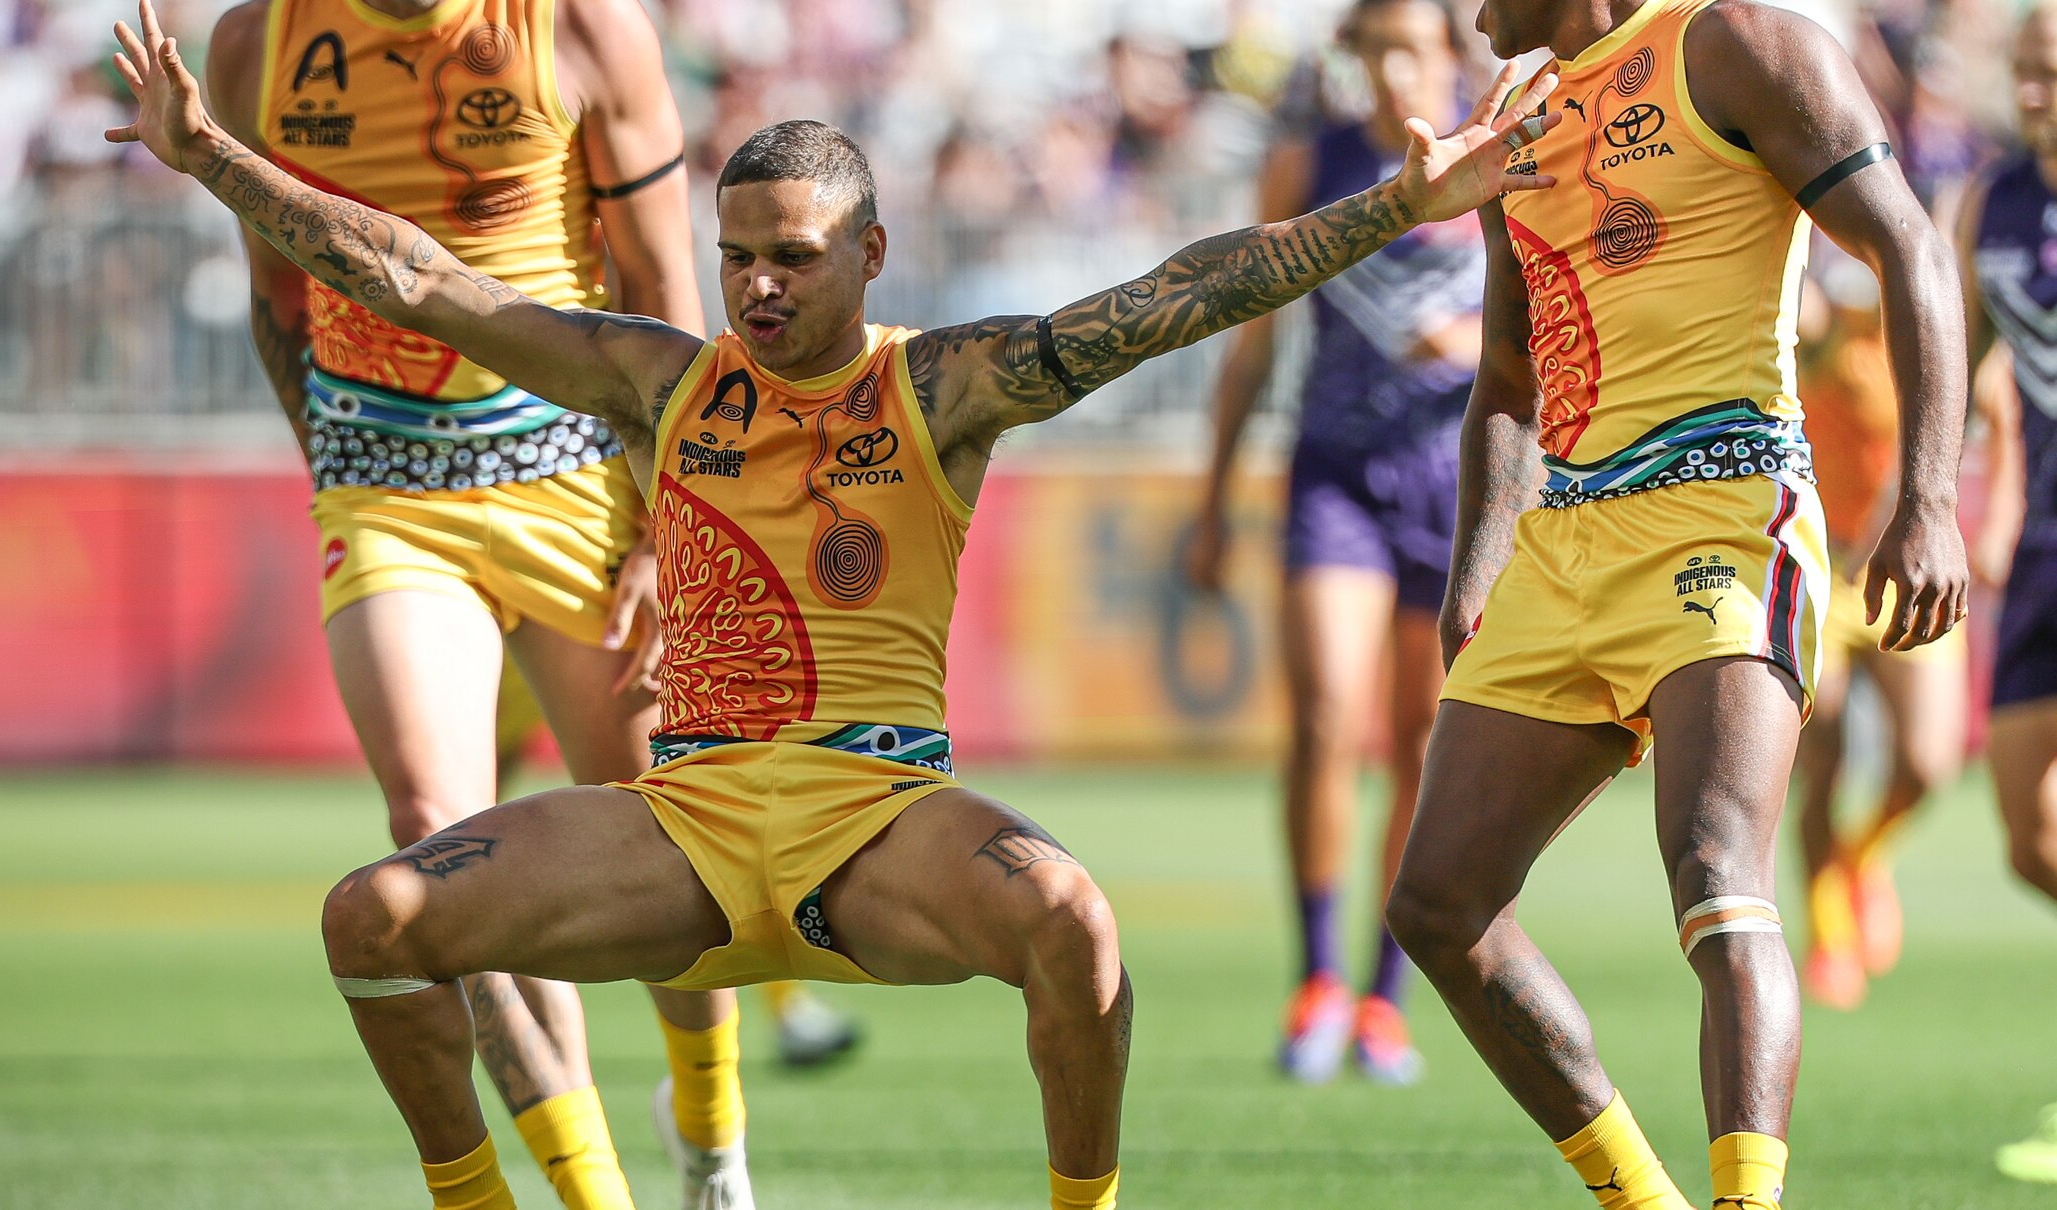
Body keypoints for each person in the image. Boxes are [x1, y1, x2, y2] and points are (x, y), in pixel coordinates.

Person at [106, 4, 1563, 1204]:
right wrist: (209, 158)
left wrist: (1398, 203)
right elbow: (413, 273)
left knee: (1072, 921)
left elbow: (1185, 288)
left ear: (869, 253)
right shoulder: (654, 377)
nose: (752, 285)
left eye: (791, 257)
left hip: (878, 819)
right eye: (736, 253)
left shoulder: (945, 384)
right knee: (374, 914)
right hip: (682, 822)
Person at [1379, 0, 1970, 1205]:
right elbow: (1505, 370)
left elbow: (1907, 246)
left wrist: (1927, 500)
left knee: (1714, 872)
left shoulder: (1739, 45)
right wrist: (1475, 562)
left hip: (1722, 514)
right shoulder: (1513, 117)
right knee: (1437, 905)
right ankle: (1642, 1199)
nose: (1468, 11)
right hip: (1559, 543)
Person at [202, 0, 752, 1204]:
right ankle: (587, 1191)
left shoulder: (586, 28)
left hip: (577, 479)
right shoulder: (261, 40)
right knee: (439, 835)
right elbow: (277, 298)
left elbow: (663, 289)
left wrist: (678, 534)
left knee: (675, 844)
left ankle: (712, 1138)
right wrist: (339, 466)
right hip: (387, 486)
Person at [1187, 0, 1481, 1087]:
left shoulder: (1502, 162)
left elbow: (1565, 324)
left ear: (1453, 57)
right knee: (1321, 717)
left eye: (1413, 48)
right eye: (1374, 50)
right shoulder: (1308, 171)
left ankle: (1382, 999)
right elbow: (1248, 347)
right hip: (1331, 476)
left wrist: (1473, 341)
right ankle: (1313, 978)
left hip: (1455, 487)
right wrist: (1212, 499)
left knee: (1418, 744)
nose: (1394, 70)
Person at [493, 668, 865, 1067]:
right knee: (451, 816)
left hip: (583, 626)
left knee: (675, 817)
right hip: (500, 631)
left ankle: (779, 1016)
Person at [1792, 244, 1967, 1012]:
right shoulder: (1829, 335)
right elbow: (1807, 319)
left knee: (1927, 764)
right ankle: (1828, 933)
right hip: (1821, 569)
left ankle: (1862, 859)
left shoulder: (1928, 340)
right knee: (1822, 754)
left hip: (1903, 566)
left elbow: (1990, 401)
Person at [1965, 2, 2057, 1185]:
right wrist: (1928, 494)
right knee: (2027, 833)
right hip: (2038, 545)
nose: (2033, 87)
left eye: (2052, 71)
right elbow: (1950, 346)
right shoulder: (1985, 202)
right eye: (2025, 69)